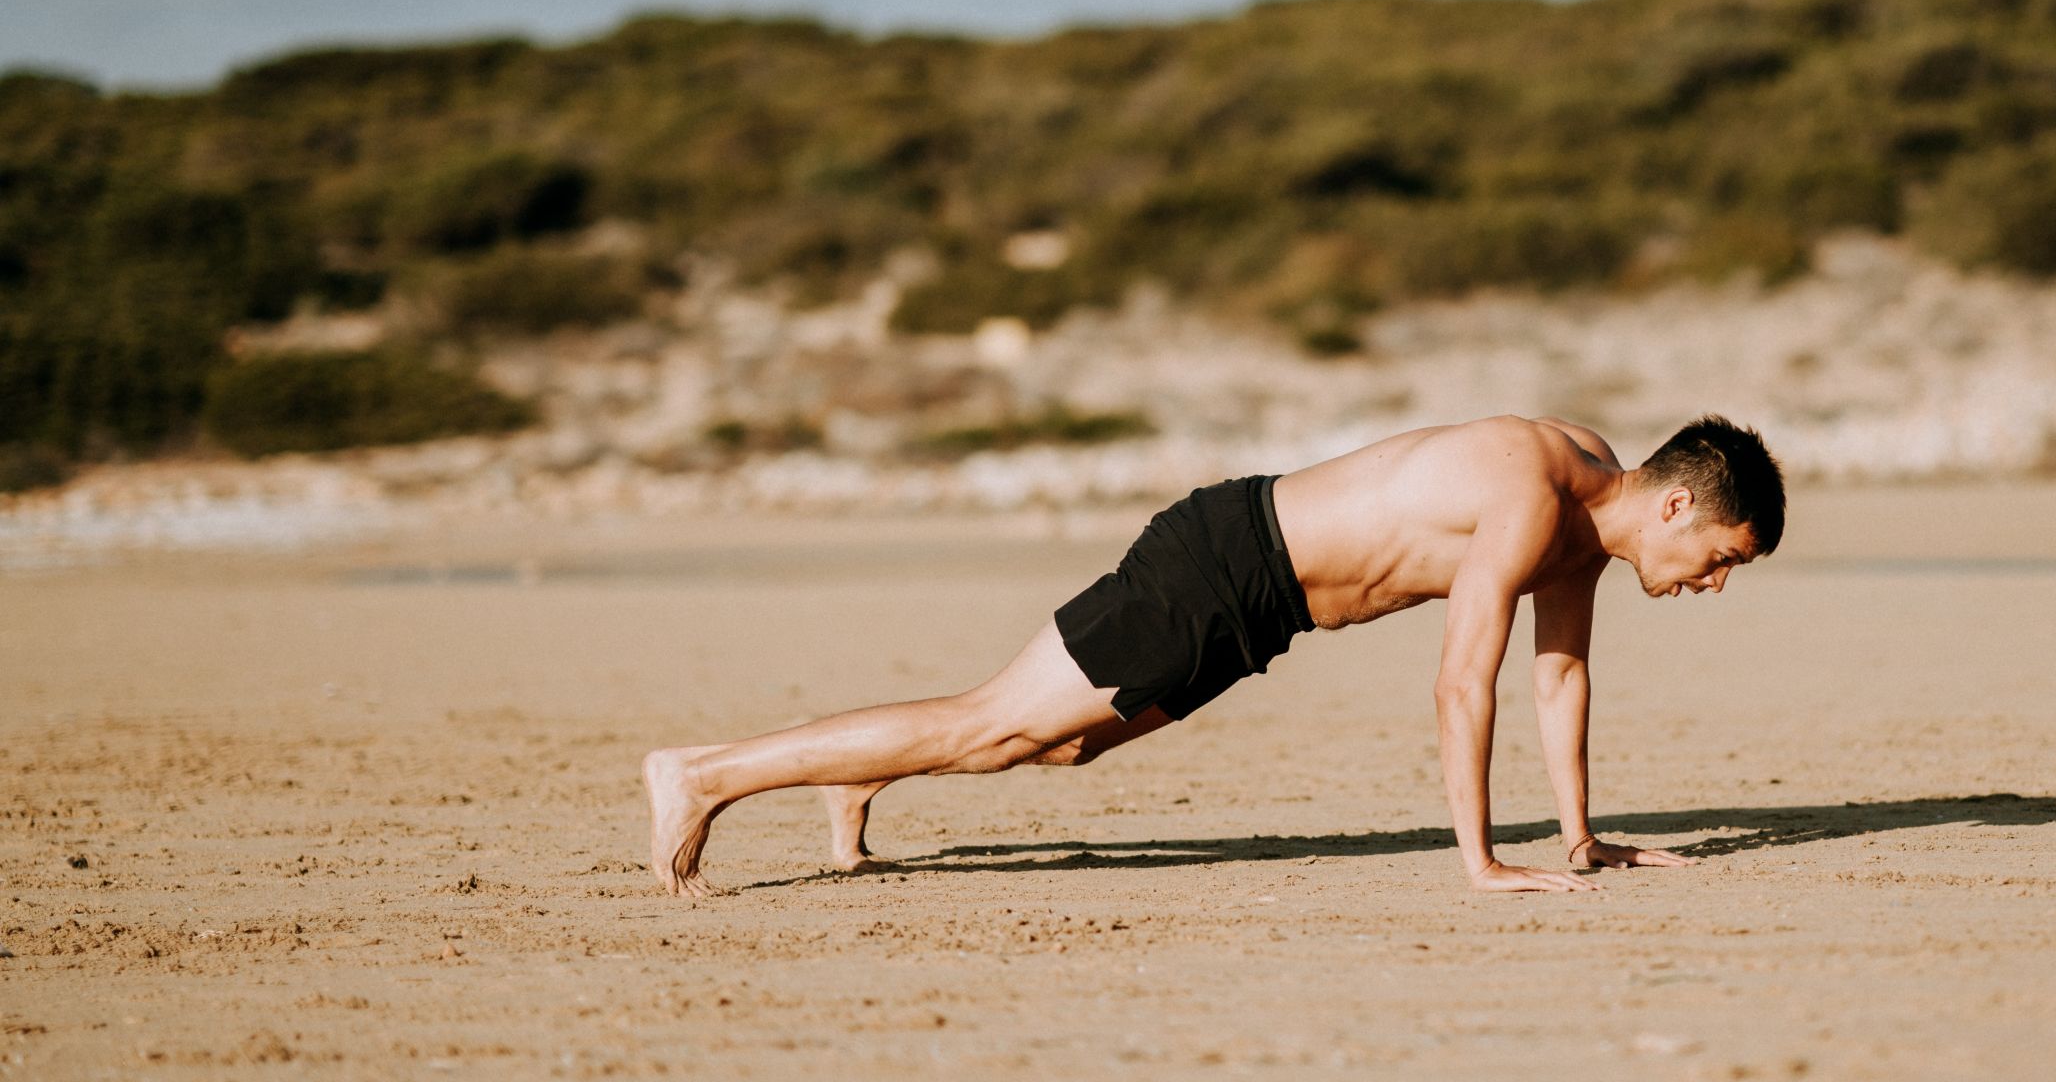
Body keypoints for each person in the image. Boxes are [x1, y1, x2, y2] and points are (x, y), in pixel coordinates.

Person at [643, 413, 1785, 897]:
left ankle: (859, 768)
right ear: (1679, 502)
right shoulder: (1537, 494)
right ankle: (702, 775)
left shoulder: (1589, 516)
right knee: (997, 724)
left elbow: (1560, 674)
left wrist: (1580, 840)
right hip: (1225, 558)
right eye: (1723, 556)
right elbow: (1461, 680)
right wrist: (1481, 862)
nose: (1716, 584)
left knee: (1055, 750)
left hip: (1266, 605)